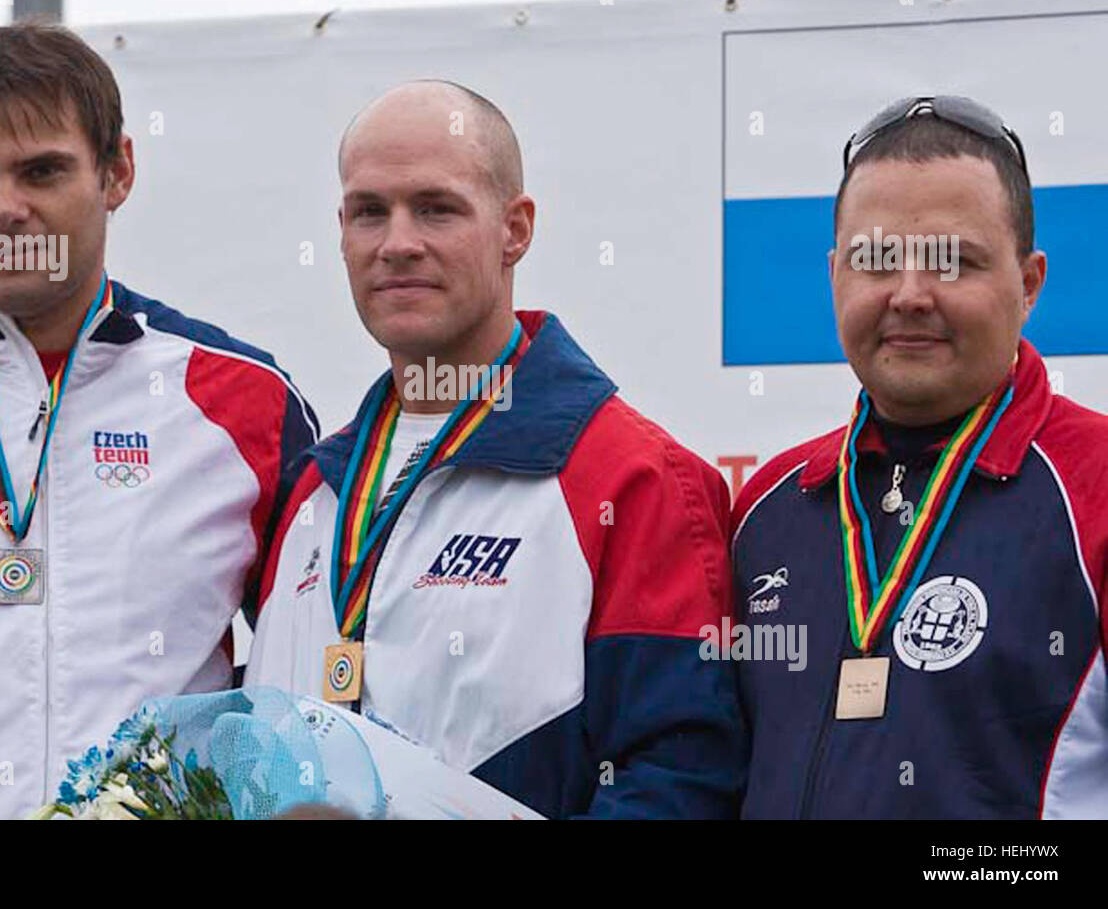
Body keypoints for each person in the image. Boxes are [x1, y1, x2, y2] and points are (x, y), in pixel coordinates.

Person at [0, 24, 316, 818]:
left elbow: (308, 688)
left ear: (118, 171)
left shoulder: (242, 401)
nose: (7, 209)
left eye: (42, 170)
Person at [244, 80, 744, 818]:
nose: (398, 243)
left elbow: (681, 781)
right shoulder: (316, 492)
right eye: (369, 212)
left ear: (516, 229)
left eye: (437, 209)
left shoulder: (631, 479)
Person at [731, 96, 1108, 818]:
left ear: (1029, 283)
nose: (909, 295)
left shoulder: (1096, 485)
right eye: (877, 261)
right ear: (836, 275)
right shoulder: (766, 509)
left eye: (953, 261)